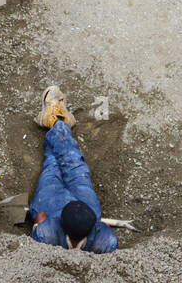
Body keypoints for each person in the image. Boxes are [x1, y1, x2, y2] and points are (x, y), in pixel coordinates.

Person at [27, 85, 117, 253]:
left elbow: (32, 248)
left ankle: (56, 123)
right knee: (74, 164)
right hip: (87, 206)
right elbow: (108, 239)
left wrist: (37, 225)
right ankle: (59, 124)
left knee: (53, 164)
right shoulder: (106, 241)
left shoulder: (47, 233)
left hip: (51, 206)